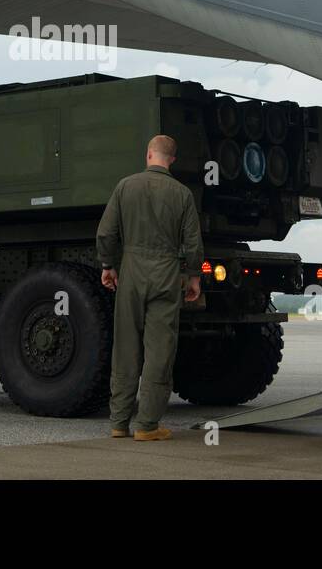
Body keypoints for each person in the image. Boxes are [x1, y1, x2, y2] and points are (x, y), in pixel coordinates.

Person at [97, 135, 203, 442]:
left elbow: (106, 232)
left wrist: (108, 265)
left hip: (131, 269)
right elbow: (193, 242)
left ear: (148, 155)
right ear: (172, 160)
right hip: (167, 273)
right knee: (160, 349)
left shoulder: (125, 186)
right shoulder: (182, 194)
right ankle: (147, 425)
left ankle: (119, 423)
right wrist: (194, 276)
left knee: (126, 346)